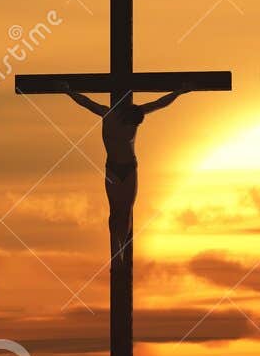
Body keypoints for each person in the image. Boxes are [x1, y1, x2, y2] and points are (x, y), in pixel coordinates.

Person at [66, 89, 190, 253]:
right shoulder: (107, 113)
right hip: (113, 168)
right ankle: (116, 248)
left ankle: (121, 248)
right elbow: (85, 102)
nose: (132, 126)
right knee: (115, 211)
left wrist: (179, 92)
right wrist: (68, 91)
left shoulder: (135, 113)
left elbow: (159, 103)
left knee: (126, 211)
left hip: (129, 167)